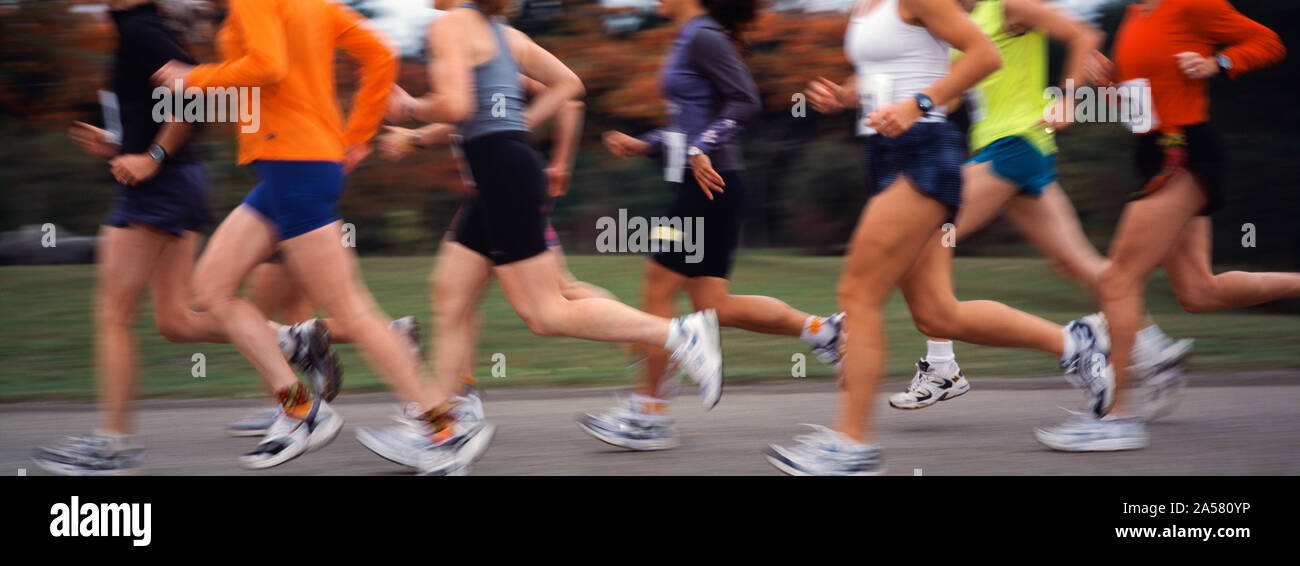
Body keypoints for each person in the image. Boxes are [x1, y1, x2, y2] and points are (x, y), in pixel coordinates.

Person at [361, 0, 724, 474]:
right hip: (499, 172)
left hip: (503, 173)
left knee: (545, 311)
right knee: (450, 295)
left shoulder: (451, 25)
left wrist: (409, 107)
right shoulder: (502, 33)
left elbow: (456, 105)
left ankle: (679, 335)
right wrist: (517, 128)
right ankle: (444, 429)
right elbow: (568, 83)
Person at [149, 0, 492, 474]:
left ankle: (444, 431)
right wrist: (358, 134)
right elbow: (381, 53)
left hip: (295, 169)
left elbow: (268, 65)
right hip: (295, 168)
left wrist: (195, 77)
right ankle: (299, 407)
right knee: (210, 289)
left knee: (353, 309)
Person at [31, 0, 340, 475]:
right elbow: (170, 100)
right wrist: (119, 145)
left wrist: (151, 157)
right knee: (176, 320)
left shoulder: (142, 28)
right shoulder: (143, 27)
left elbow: (195, 99)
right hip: (174, 182)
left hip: (160, 186)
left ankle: (112, 444)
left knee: (112, 315)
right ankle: (292, 340)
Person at [889, 0, 1191, 418]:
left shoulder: (1008, 7)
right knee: (1077, 264)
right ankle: (1154, 351)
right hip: (1013, 152)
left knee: (922, 233)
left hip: (1014, 148)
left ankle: (943, 367)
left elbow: (1084, 34)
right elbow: (957, 94)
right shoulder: (965, 22)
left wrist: (1067, 99)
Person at [577, 0, 845, 452]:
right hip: (704, 184)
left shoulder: (702, 35)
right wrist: (645, 145)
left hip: (707, 186)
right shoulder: (689, 36)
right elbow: (690, 125)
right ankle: (825, 331)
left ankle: (649, 413)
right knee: (712, 303)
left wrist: (703, 146)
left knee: (656, 292)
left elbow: (745, 100)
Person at [763, 0, 1015, 476]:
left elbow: (985, 55)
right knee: (937, 312)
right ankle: (1075, 343)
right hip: (884, 153)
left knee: (858, 294)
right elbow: (887, 71)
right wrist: (843, 93)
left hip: (924, 151)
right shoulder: (865, 5)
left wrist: (918, 104)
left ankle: (852, 445)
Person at [1035, 0, 1290, 452]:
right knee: (1198, 292)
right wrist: (1110, 81)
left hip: (1182, 154)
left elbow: (1268, 42)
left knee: (1118, 277)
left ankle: (1119, 417)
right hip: (1155, 151)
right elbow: (1142, 101)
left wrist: (1218, 62)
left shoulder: (1191, 4)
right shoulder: (1137, 14)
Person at [379, 76, 615, 416]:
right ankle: (460, 395)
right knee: (455, 297)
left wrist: (561, 163)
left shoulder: (498, 61)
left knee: (552, 299)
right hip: (485, 196)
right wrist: (414, 137)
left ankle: (656, 337)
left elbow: (568, 100)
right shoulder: (464, 63)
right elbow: (459, 121)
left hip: (507, 192)